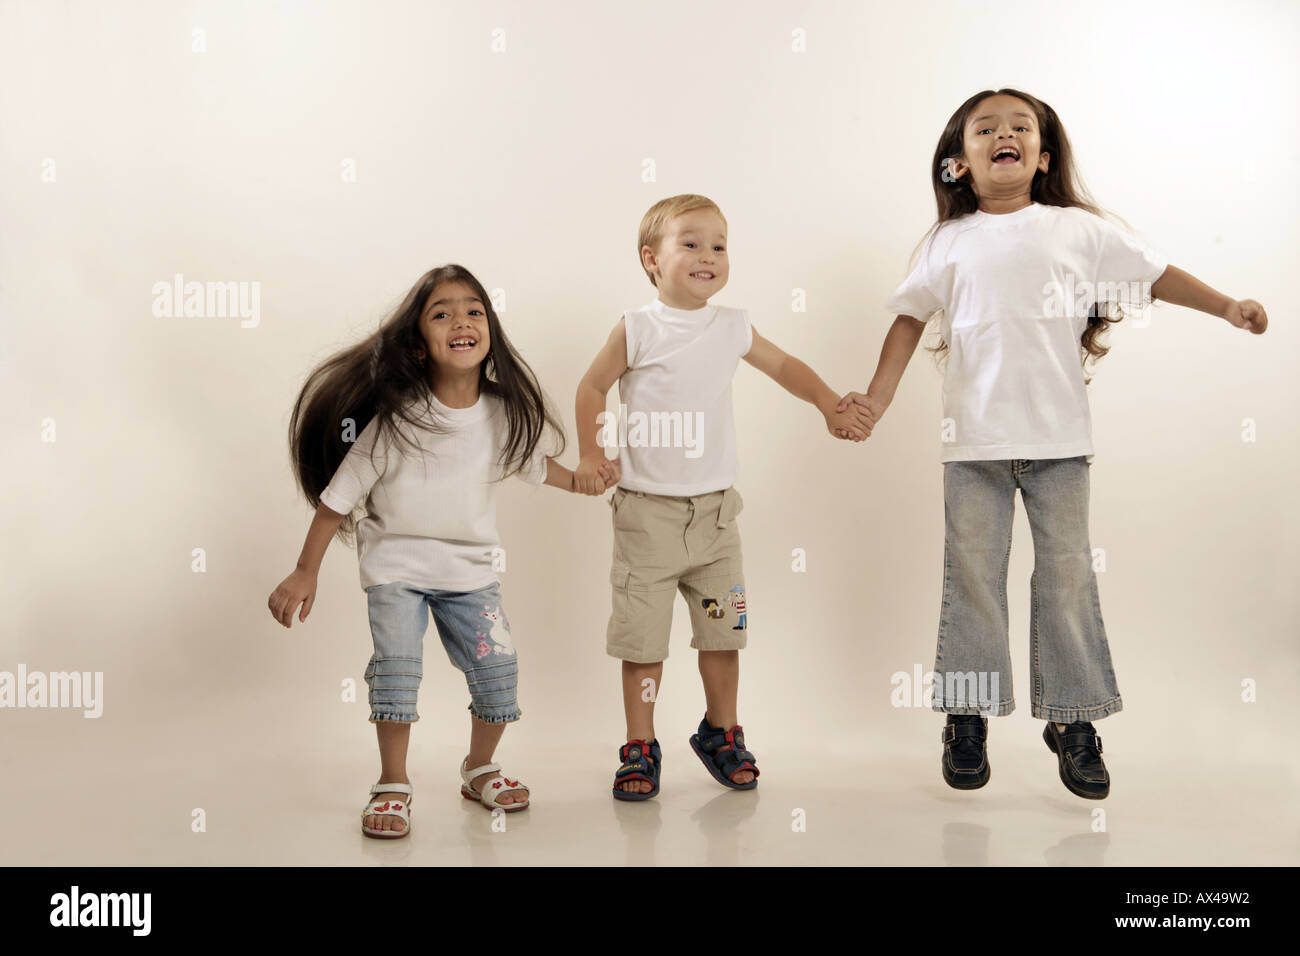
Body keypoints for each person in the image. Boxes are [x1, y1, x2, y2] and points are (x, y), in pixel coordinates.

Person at [839, 88, 1268, 799]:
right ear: (959, 164)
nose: (1004, 134)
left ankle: (1073, 721)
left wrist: (1225, 305)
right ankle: (967, 716)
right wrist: (877, 399)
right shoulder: (949, 243)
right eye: (985, 129)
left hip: (1059, 444)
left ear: (1042, 156)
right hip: (971, 444)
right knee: (972, 581)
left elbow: (1155, 275)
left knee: (1066, 580)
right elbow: (908, 320)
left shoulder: (1074, 229)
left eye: (1020, 128)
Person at [267, 264, 614, 837]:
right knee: (397, 672)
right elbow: (337, 500)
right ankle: (393, 783)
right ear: (419, 344)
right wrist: (306, 572)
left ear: (490, 332)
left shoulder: (501, 412)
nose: (461, 320)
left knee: (499, 670)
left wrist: (583, 479)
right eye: (442, 312)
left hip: (471, 573)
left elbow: (536, 467)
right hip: (396, 570)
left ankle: (479, 768)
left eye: (474, 310)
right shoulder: (395, 420)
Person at [574, 194, 875, 800]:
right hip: (647, 518)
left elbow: (785, 366)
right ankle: (640, 743)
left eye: (718, 244)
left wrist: (826, 403)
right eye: (690, 242)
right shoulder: (637, 328)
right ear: (650, 259)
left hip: (715, 520)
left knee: (722, 635)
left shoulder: (732, 324)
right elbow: (591, 386)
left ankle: (721, 730)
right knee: (643, 643)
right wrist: (592, 452)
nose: (707, 255)